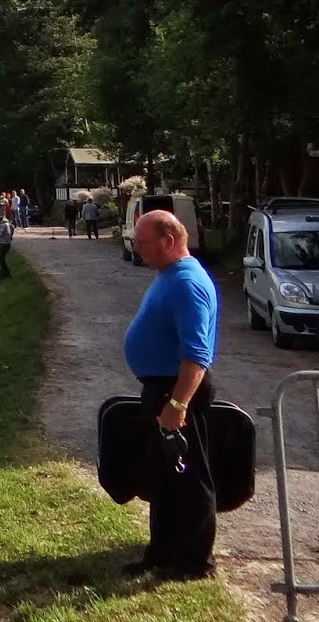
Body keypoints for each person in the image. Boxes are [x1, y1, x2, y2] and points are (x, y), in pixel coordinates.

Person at [122, 210, 219, 580]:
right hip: (160, 388)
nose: (137, 249)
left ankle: (195, 563)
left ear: (168, 241)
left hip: (175, 392)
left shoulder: (187, 283)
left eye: (142, 243)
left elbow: (197, 354)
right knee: (162, 477)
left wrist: (178, 404)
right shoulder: (169, 275)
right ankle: (162, 552)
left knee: (190, 476)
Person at [0, 209, 15, 276]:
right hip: (5, 243)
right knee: (0, 258)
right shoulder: (6, 223)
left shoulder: (3, 225)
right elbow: (13, 227)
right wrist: (11, 236)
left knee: (0, 258)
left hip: (4, 244)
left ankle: (6, 272)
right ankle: (4, 271)